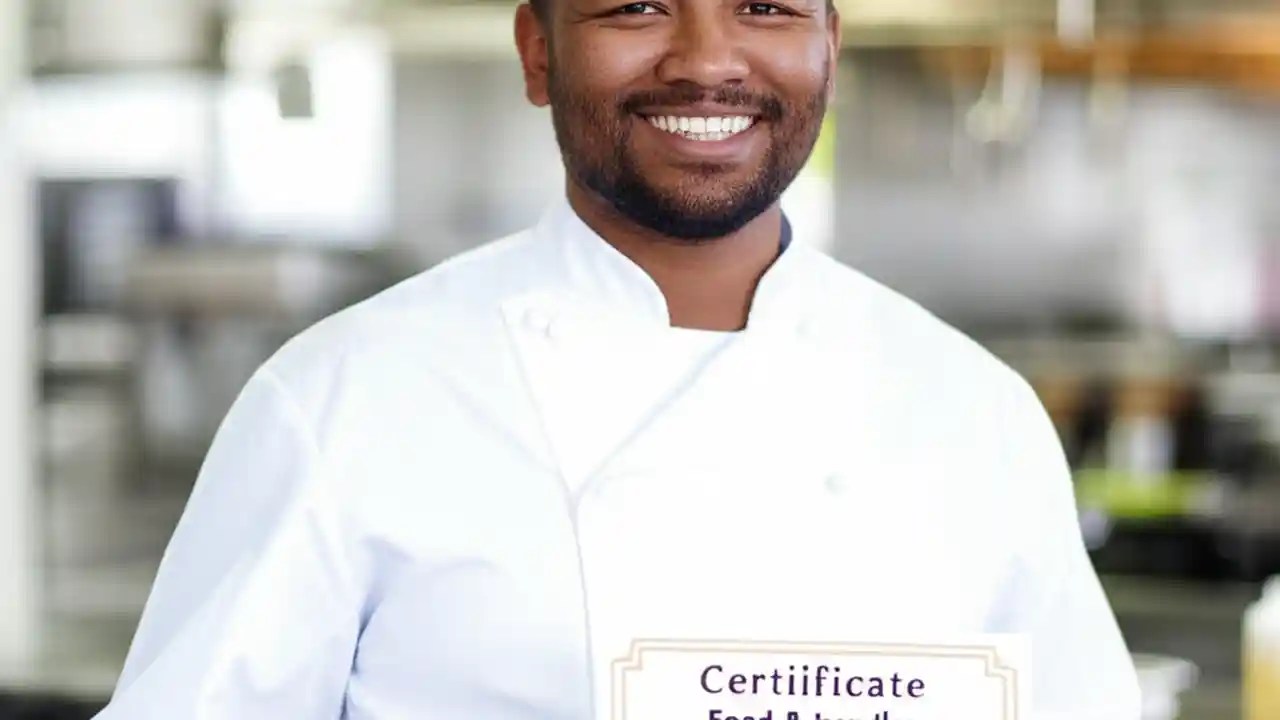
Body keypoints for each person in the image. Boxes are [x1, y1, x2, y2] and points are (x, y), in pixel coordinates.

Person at [93, 1, 1141, 718]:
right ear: (537, 51)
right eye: (636, 7)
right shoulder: (345, 397)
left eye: (766, 6)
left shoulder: (975, 412)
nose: (706, 60)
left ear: (830, 44)